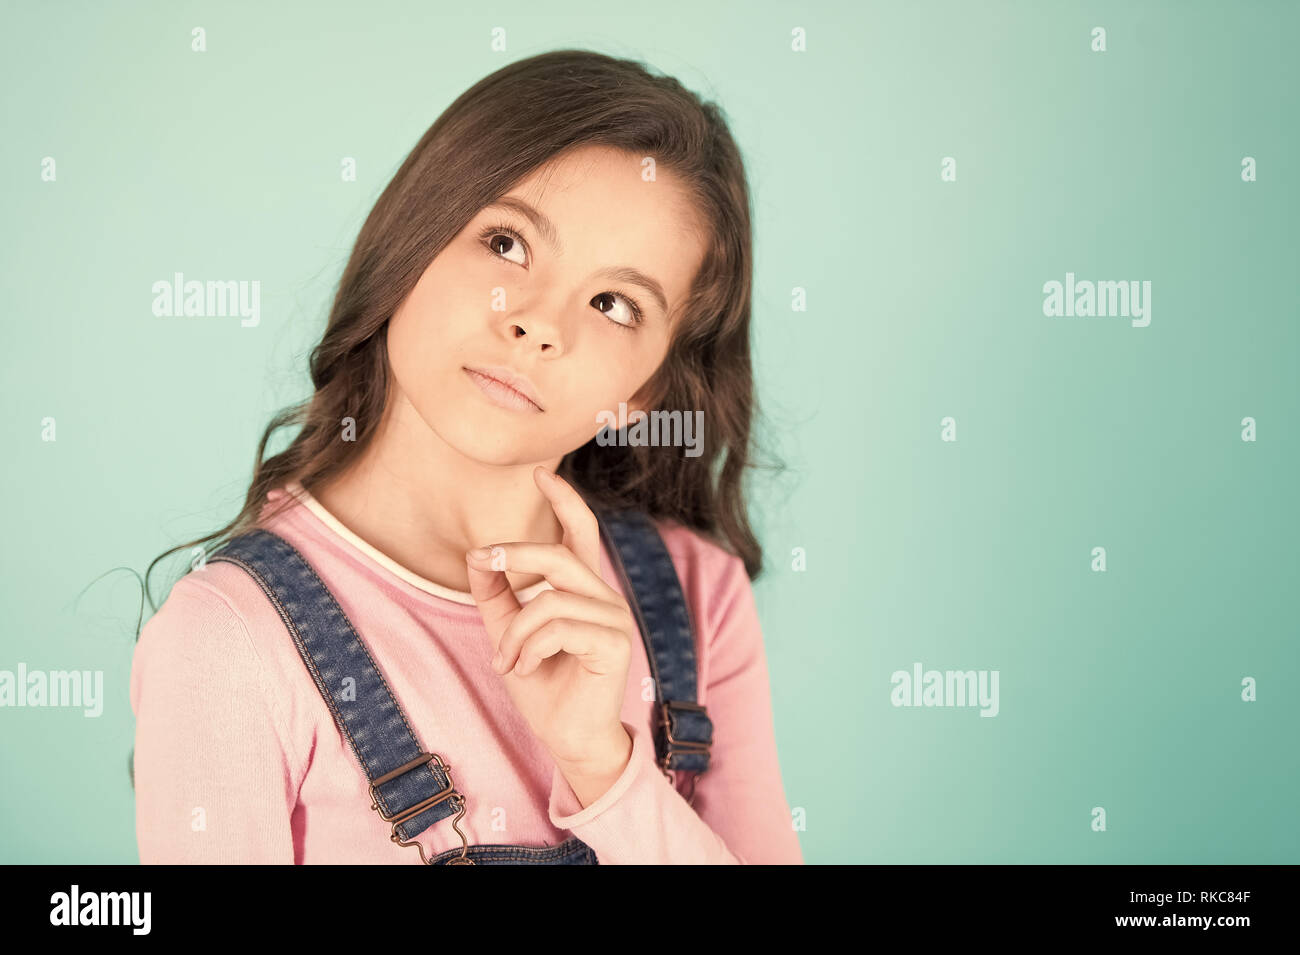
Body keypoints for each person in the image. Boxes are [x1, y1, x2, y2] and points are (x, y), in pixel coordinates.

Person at [129, 48, 802, 865]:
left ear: (648, 390)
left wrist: (603, 763)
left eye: (612, 303)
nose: (539, 322)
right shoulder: (228, 638)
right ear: (411, 242)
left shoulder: (698, 596)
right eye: (509, 244)